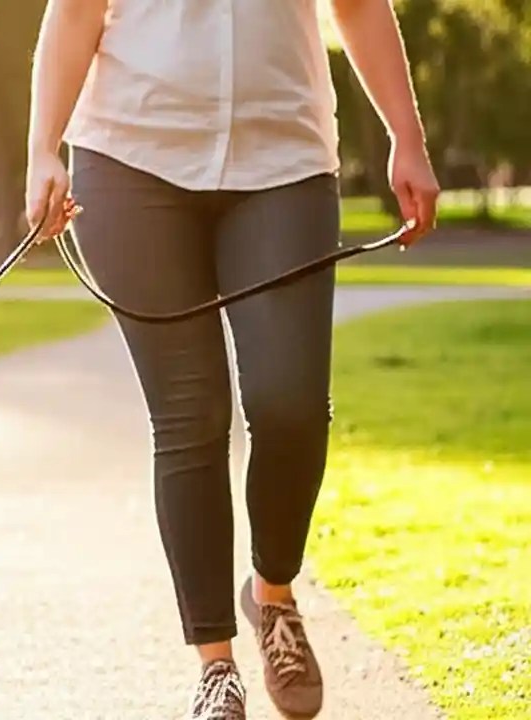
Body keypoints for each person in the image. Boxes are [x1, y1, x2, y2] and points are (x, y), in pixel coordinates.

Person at [24, 1, 438, 718]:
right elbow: (75, 15)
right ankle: (215, 666)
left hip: (285, 162)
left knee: (291, 404)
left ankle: (272, 595)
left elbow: (361, 6)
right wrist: (42, 150)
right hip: (131, 160)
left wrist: (407, 136)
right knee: (190, 414)